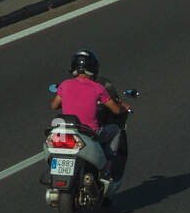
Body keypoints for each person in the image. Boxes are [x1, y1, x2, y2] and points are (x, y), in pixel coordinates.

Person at [50, 50, 130, 185]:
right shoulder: (98, 88)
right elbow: (115, 110)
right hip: (90, 132)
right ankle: (107, 169)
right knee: (116, 130)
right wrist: (124, 107)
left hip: (68, 130)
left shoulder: (65, 84)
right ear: (94, 69)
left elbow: (54, 105)